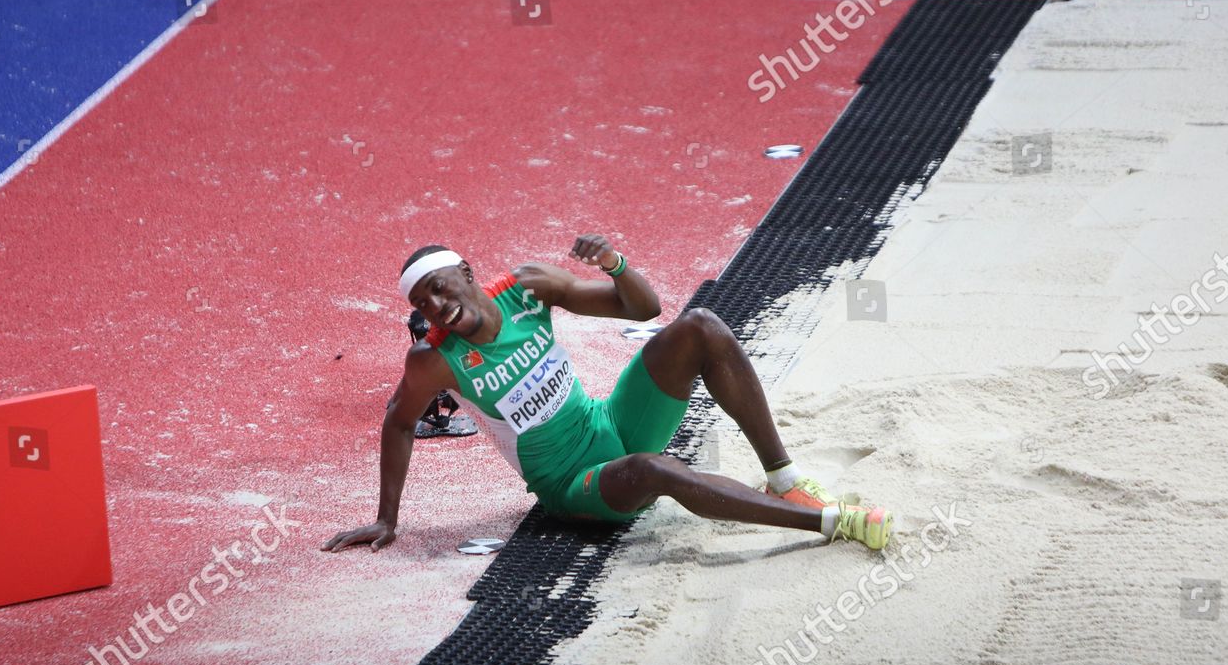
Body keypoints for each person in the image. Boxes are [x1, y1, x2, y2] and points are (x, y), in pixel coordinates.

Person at [321, 234, 892, 554]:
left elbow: (643, 309)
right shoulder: (434, 360)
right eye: (421, 303)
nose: (436, 306)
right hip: (575, 484)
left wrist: (615, 264)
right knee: (653, 469)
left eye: (439, 289)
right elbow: (399, 421)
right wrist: (386, 519)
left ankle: (786, 479)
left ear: (467, 273)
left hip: (609, 423)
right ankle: (831, 522)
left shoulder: (527, 289)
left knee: (701, 326)